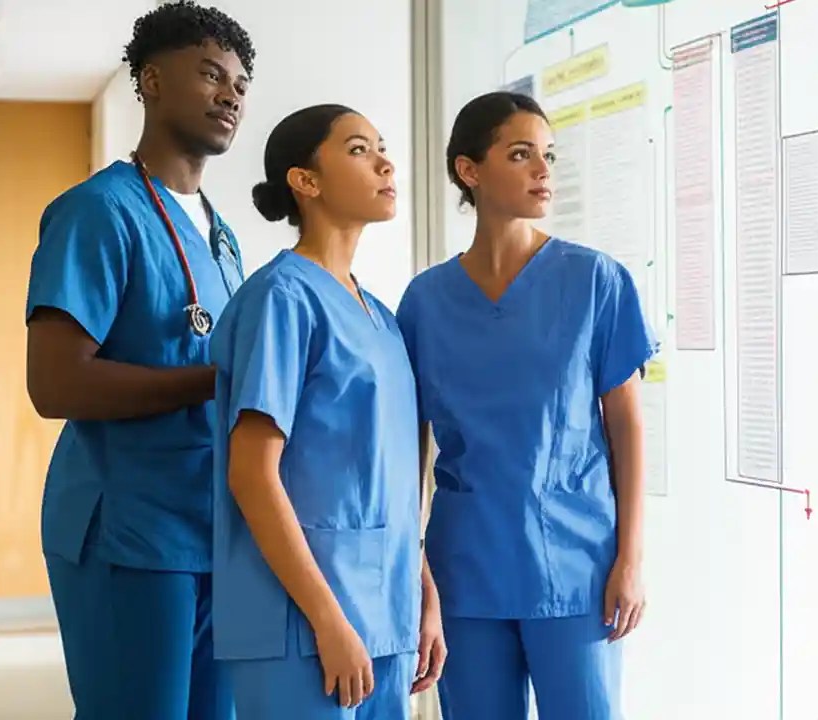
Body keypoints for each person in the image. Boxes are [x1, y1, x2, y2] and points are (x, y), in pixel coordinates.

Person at [23, 2, 253, 717]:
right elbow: (55, 383)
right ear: (151, 81)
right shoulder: (98, 211)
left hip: (212, 529)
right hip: (127, 530)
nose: (230, 94)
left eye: (241, 84)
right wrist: (216, 381)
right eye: (210, 73)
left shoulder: (224, 237)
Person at [395, 90, 657, 719]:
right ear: (470, 170)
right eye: (520, 154)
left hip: (579, 571)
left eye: (548, 155)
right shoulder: (425, 302)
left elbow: (627, 428)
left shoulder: (596, 281)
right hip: (464, 572)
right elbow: (410, 452)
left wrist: (630, 557)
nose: (543, 170)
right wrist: (413, 572)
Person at [209, 104, 446, 719]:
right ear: (305, 181)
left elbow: (390, 472)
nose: (386, 161)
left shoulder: (382, 319)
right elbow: (252, 474)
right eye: (360, 149)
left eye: (383, 146)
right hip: (302, 623)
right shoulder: (281, 300)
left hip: (385, 614)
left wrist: (422, 587)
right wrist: (327, 619)